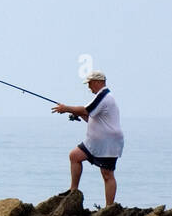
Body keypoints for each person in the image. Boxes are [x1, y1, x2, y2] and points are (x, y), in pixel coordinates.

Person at [52, 71, 123, 206]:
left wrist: (66, 108)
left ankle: (109, 207)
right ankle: (73, 190)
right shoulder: (100, 97)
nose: (89, 87)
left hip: (108, 143)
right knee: (75, 156)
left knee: (107, 174)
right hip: (95, 142)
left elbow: (86, 110)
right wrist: (75, 114)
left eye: (89, 84)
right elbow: (92, 117)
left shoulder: (104, 96)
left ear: (97, 82)